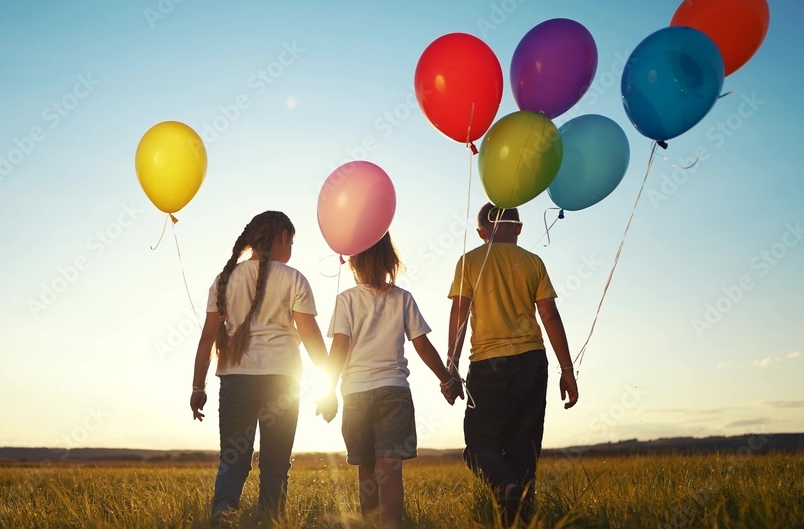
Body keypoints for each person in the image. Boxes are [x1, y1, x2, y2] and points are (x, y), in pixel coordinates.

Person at [189, 210, 331, 523]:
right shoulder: (294, 278)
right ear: (283, 237)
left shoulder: (225, 279)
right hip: (282, 381)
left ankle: (223, 514)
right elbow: (311, 339)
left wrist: (198, 387)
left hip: (235, 381)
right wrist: (329, 387)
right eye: (291, 242)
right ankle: (271, 521)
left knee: (233, 459)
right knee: (276, 464)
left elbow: (206, 340)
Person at [446, 203, 579, 526]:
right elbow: (549, 315)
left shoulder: (470, 261)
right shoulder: (533, 262)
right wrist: (567, 370)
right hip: (533, 362)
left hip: (489, 365)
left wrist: (451, 367)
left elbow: (460, 315)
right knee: (524, 451)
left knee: (479, 447)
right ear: (518, 228)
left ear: (481, 233)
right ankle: (519, 514)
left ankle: (505, 488)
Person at [319, 232, 463, 528]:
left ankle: (370, 524)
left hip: (356, 395)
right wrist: (447, 379)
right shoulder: (403, 298)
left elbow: (339, 348)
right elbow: (423, 345)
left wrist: (328, 389)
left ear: (354, 263)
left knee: (367, 470)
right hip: (394, 392)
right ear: (389, 261)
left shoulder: (346, 300)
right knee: (390, 467)